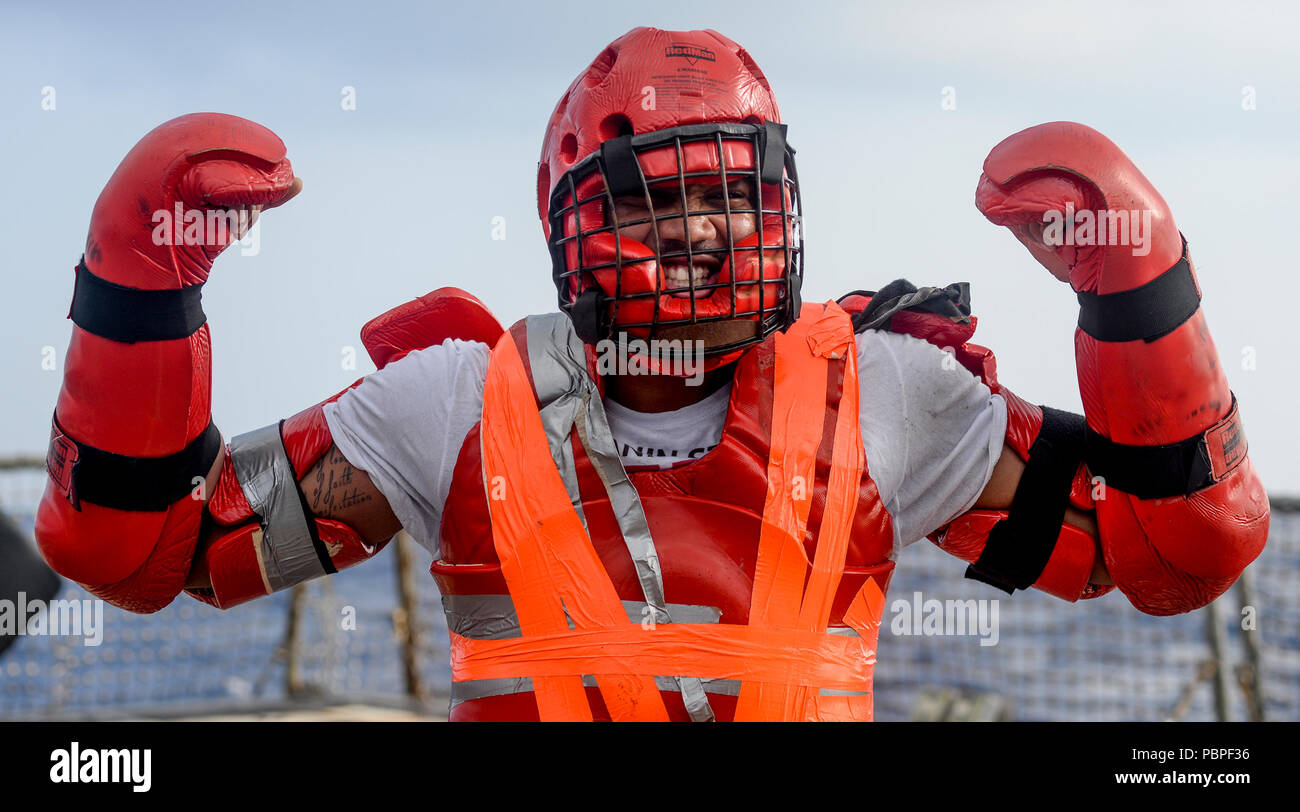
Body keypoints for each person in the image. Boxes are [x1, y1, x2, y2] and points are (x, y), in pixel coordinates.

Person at [35, 27, 1269, 722]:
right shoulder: (457, 398)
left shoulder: (888, 388)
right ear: (572, 215)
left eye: (733, 195)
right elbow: (152, 554)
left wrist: (1139, 292)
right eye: (664, 199)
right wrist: (139, 296)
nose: (707, 232)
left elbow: (1173, 550)